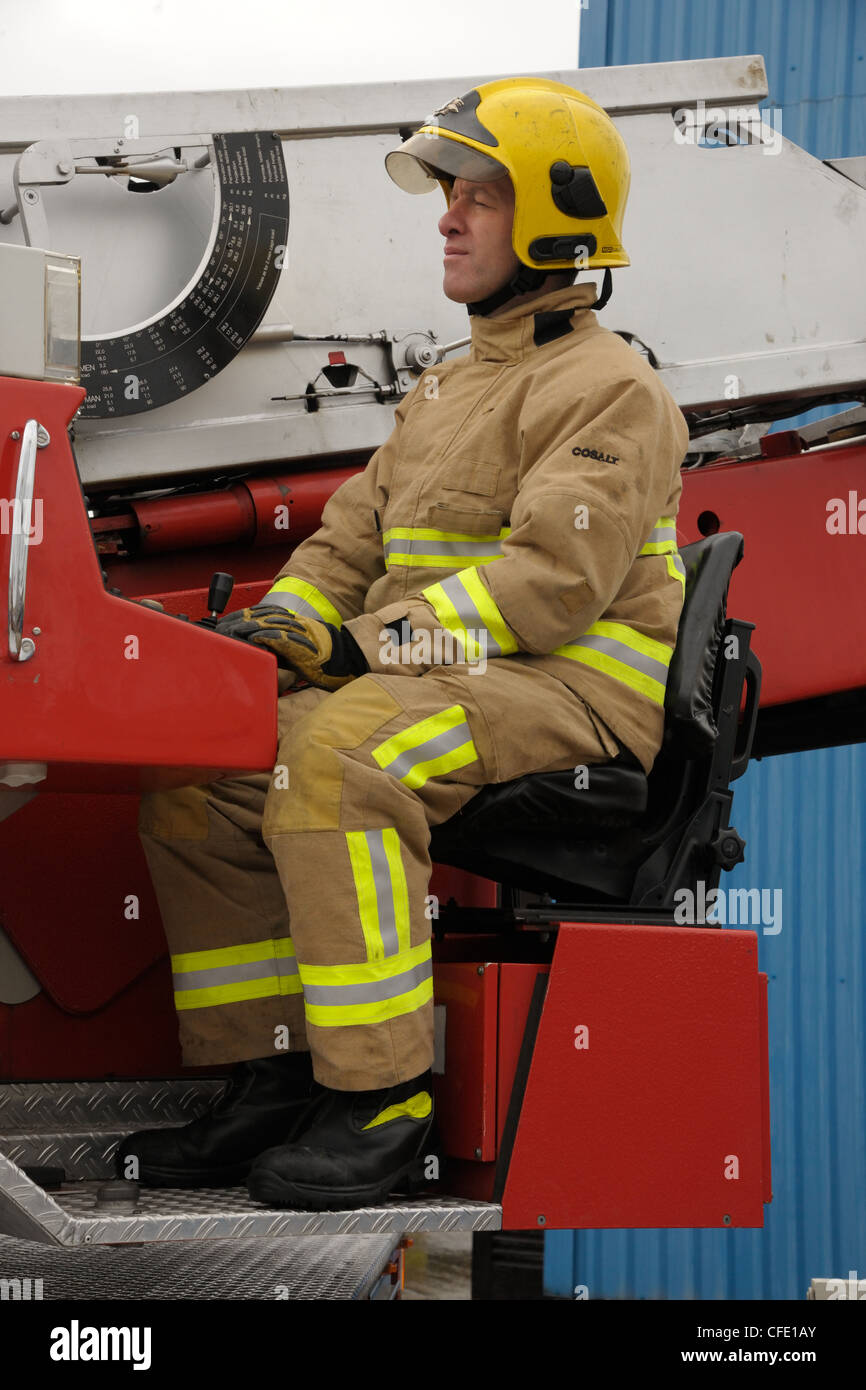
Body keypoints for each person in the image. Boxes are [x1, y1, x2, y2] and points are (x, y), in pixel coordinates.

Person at [118, 77, 689, 1211]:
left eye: (477, 194)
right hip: (449, 677)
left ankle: (380, 1099)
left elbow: (548, 587)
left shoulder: (607, 386)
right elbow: (347, 541)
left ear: (556, 216)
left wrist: (360, 654)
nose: (446, 215)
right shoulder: (443, 388)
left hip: (565, 692)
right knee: (204, 773)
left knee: (340, 756)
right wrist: (282, 632)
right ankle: (275, 1069)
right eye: (447, 192)